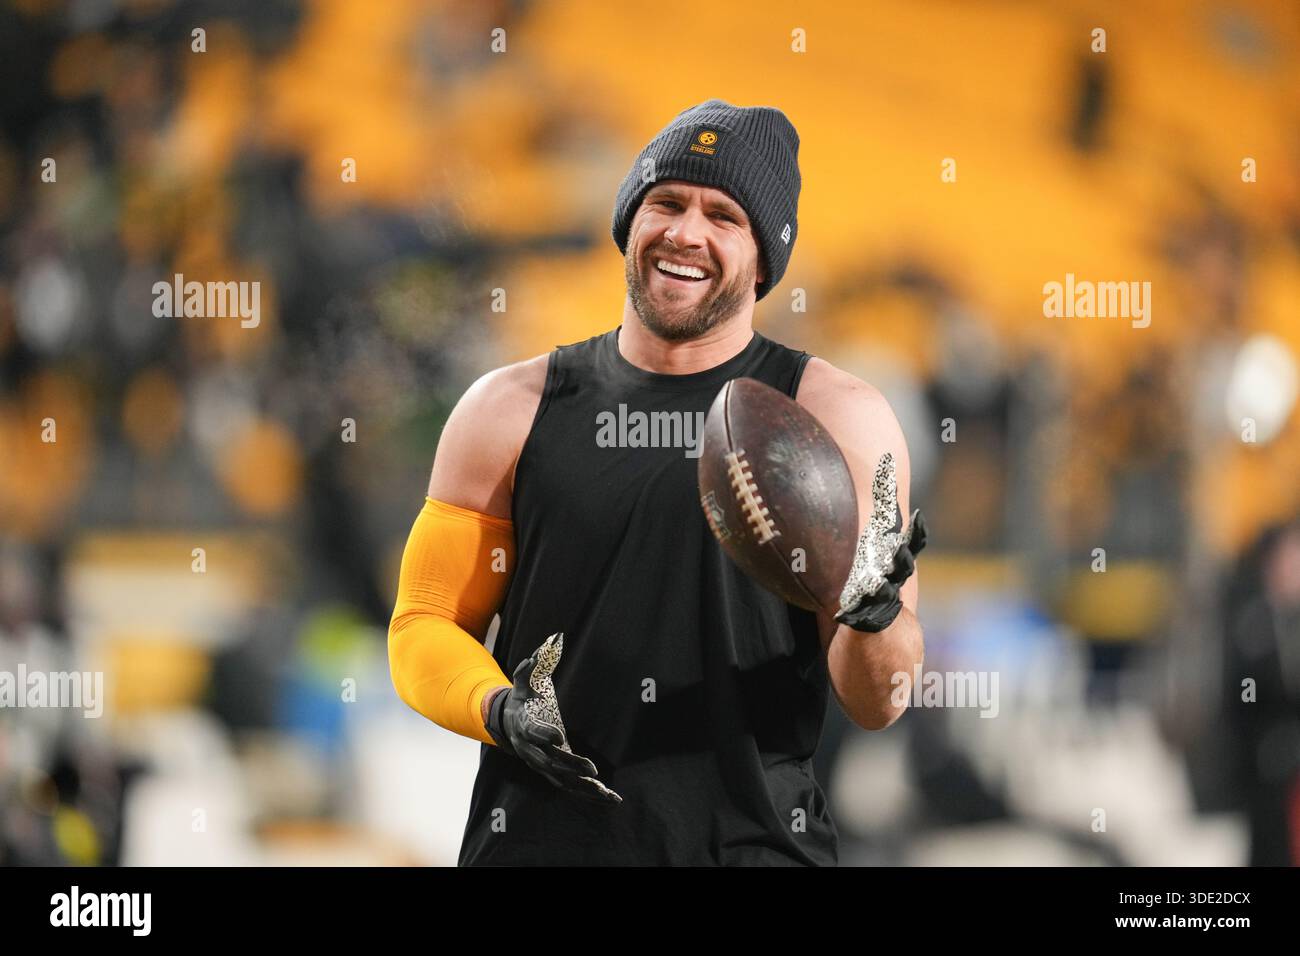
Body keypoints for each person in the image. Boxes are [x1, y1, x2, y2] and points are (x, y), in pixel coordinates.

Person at [388, 99, 926, 866]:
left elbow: (881, 703)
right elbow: (423, 624)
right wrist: (500, 709)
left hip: (750, 848)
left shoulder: (838, 417)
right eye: (665, 202)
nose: (685, 232)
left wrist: (873, 620)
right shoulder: (508, 409)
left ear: (764, 256)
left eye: (724, 215)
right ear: (629, 222)